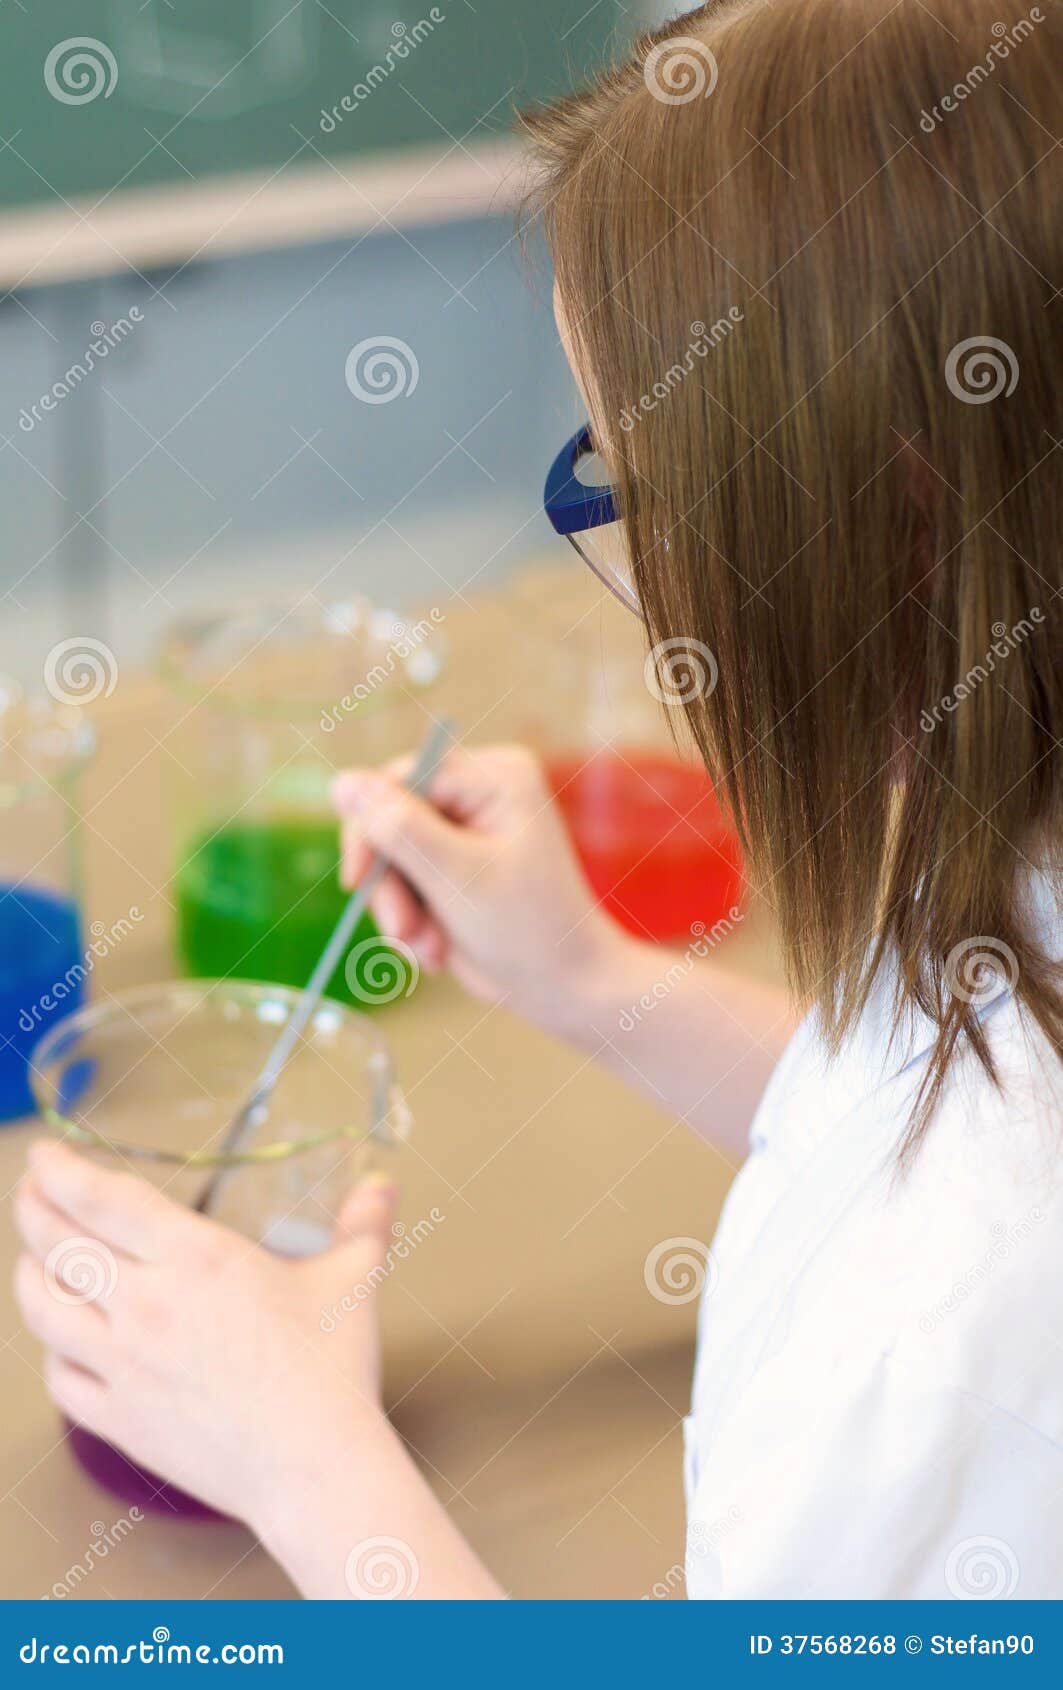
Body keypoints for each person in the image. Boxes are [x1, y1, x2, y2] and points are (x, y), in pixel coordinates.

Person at [14, 0, 1062, 1598]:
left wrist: (309, 1460)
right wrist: (596, 983)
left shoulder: (941, 1330)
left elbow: (967, 1199)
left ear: (898, 542)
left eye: (628, 484)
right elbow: (924, 1093)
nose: (629, 576)